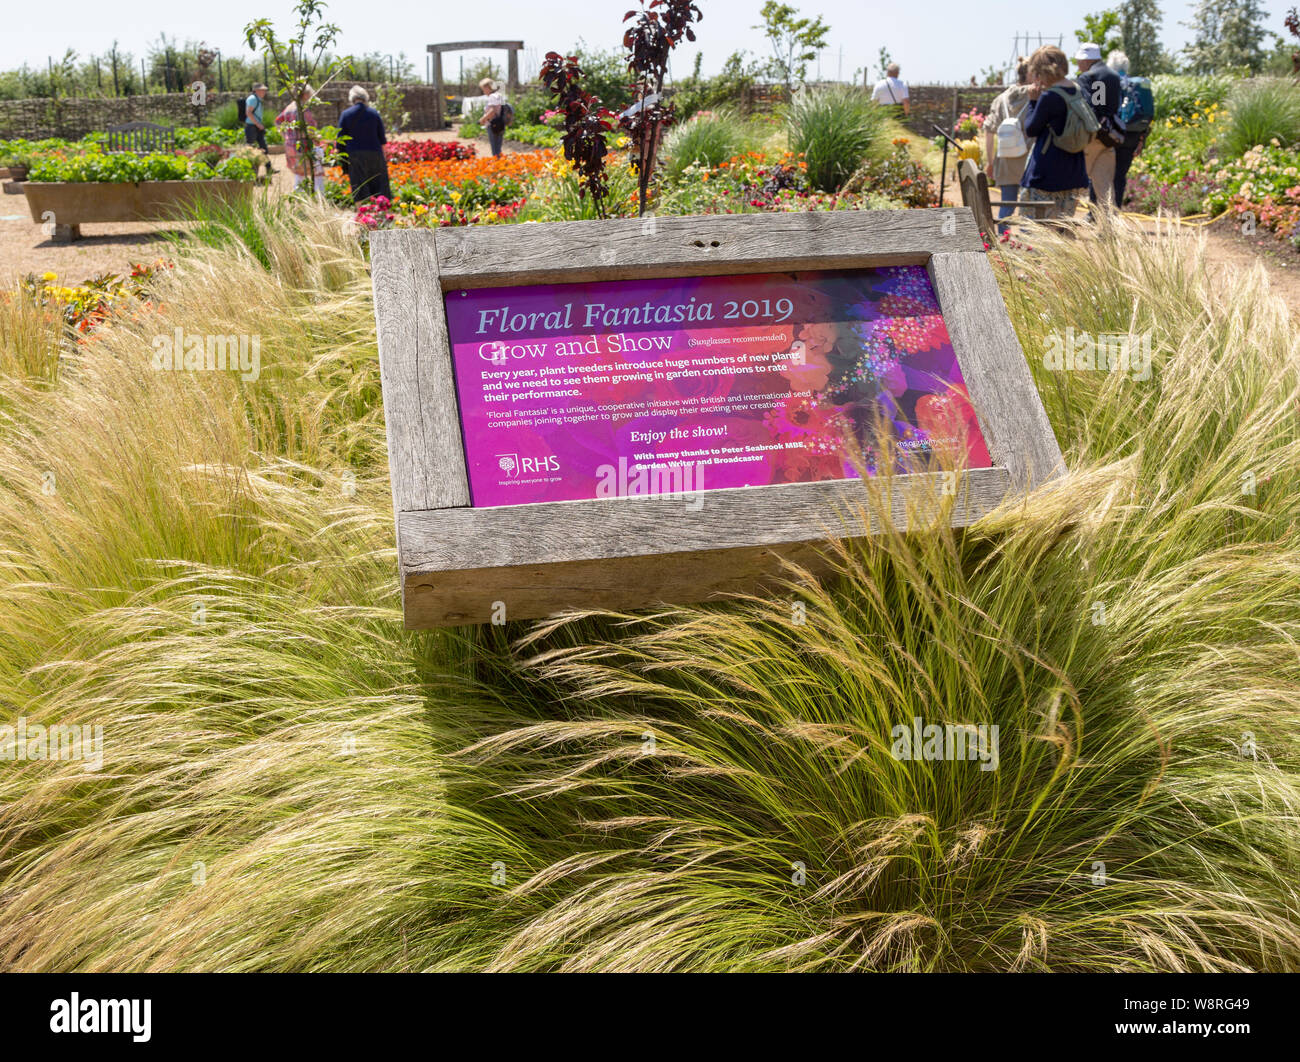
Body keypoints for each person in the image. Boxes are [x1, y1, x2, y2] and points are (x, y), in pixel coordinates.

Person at [1018, 45, 1089, 220]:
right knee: (1061, 230)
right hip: (1073, 171)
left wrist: (1033, 102)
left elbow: (1031, 129)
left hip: (1046, 173)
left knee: (1036, 229)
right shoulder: (1077, 91)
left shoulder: (1050, 97)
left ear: (1042, 71)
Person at [981, 57, 1033, 233]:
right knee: (1029, 208)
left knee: (1007, 205)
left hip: (1005, 158)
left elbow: (988, 132)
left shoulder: (1001, 99)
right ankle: (1028, 250)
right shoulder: (1036, 96)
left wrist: (990, 162)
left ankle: (1004, 245)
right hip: (1029, 159)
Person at [1073, 42, 1122, 211]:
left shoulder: (1087, 77)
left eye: (1079, 61)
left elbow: (1089, 108)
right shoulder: (1114, 76)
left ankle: (1063, 229)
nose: (1078, 65)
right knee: (1106, 189)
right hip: (1110, 137)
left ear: (1087, 61)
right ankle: (1110, 232)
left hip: (1091, 138)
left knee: (1074, 184)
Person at [338, 85, 391, 204]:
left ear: (352, 98)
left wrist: (343, 160)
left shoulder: (346, 115)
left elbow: (340, 140)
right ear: (366, 98)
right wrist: (383, 159)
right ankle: (381, 214)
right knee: (378, 185)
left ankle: (361, 215)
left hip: (355, 154)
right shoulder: (374, 114)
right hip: (375, 153)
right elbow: (382, 139)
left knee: (359, 185)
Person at [1108, 49, 1146, 208]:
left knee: (1102, 175)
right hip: (1133, 135)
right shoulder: (1136, 85)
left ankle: (1096, 213)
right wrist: (1142, 140)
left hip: (1113, 134)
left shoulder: (1107, 82)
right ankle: (1115, 210)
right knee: (1120, 175)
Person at [276, 85, 325, 197]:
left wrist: (286, 136)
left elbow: (278, 121)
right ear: (305, 94)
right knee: (316, 172)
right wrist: (318, 140)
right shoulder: (303, 108)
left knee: (299, 174)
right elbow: (308, 129)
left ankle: (299, 200)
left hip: (291, 146)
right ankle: (320, 199)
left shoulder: (289, 108)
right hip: (303, 145)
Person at [479, 78, 508, 157]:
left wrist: (483, 119)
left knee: (495, 148)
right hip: (501, 123)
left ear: (488, 87)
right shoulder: (499, 95)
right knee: (498, 146)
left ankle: (497, 165)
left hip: (493, 124)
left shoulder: (492, 96)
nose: (483, 91)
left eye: (483, 89)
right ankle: (501, 164)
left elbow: (492, 111)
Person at [244, 83, 270, 154]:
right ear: (256, 91)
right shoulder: (253, 99)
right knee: (250, 148)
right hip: (251, 126)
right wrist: (258, 124)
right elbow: (249, 113)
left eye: (265, 90)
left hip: (255, 126)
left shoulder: (257, 99)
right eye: (262, 90)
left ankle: (268, 165)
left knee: (263, 147)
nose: (264, 92)